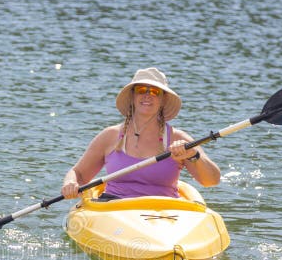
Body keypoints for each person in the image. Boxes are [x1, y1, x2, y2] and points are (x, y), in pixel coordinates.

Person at [61, 67, 221, 200]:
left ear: (163, 99)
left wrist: (193, 155)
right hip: (114, 209)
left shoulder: (179, 139)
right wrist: (70, 182)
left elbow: (211, 181)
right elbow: (79, 174)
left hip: (164, 212)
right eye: (142, 90)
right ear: (132, 96)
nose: (147, 95)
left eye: (155, 92)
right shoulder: (110, 136)